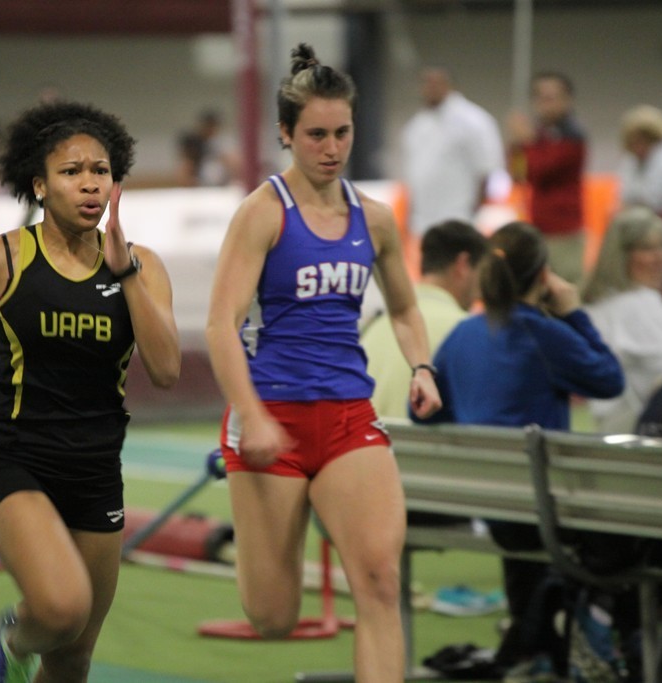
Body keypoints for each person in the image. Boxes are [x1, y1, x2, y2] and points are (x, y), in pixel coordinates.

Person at [0, 101, 180, 683]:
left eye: (100, 171)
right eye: (71, 171)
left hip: (97, 471)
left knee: (73, 655)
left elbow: (166, 369)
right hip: (16, 461)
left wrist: (125, 271)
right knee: (60, 609)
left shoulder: (143, 267)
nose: (89, 184)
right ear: (40, 184)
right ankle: (13, 637)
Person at [205, 43, 441, 681]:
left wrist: (422, 367)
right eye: (315, 135)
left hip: (347, 420)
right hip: (269, 422)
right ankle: (284, 516)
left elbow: (403, 310)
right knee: (273, 616)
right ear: (286, 134)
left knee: (380, 582)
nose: (331, 148)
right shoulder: (261, 214)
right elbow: (220, 326)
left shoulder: (376, 220)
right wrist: (251, 417)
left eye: (342, 132)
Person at [416, 221, 624, 678]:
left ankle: (530, 646)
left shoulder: (462, 337)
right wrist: (571, 312)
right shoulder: (542, 334)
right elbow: (610, 380)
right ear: (544, 276)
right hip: (543, 512)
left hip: (491, 508)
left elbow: (423, 414)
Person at [363, 219, 488, 420]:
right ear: (463, 264)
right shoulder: (466, 331)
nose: (482, 290)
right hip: (423, 450)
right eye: (483, 273)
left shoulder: (375, 328)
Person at [581, 206, 662, 434]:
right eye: (647, 249)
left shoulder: (598, 305)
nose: (659, 257)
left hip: (612, 432)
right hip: (642, 436)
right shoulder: (639, 306)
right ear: (622, 255)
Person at [401, 67, 506, 236]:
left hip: (460, 217)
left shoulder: (474, 121)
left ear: (451, 86)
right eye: (426, 83)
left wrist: (475, 211)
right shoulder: (417, 125)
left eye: (436, 83)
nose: (430, 88)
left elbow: (487, 169)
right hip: (423, 219)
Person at [506, 71, 588, 284]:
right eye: (541, 98)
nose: (545, 104)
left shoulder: (572, 136)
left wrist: (527, 142)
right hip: (539, 227)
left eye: (551, 98)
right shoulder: (540, 134)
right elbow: (518, 175)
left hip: (563, 232)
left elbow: (540, 171)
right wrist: (516, 145)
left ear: (566, 99)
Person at [617, 104, 662, 222]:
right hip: (639, 219)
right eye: (634, 142)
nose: (638, 147)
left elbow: (657, 197)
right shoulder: (630, 161)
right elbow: (624, 195)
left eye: (642, 141)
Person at [175, 109, 240, 187]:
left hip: (220, 183)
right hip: (201, 184)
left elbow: (232, 163)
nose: (212, 130)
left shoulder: (219, 144)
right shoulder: (193, 143)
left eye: (214, 127)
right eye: (209, 126)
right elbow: (184, 171)